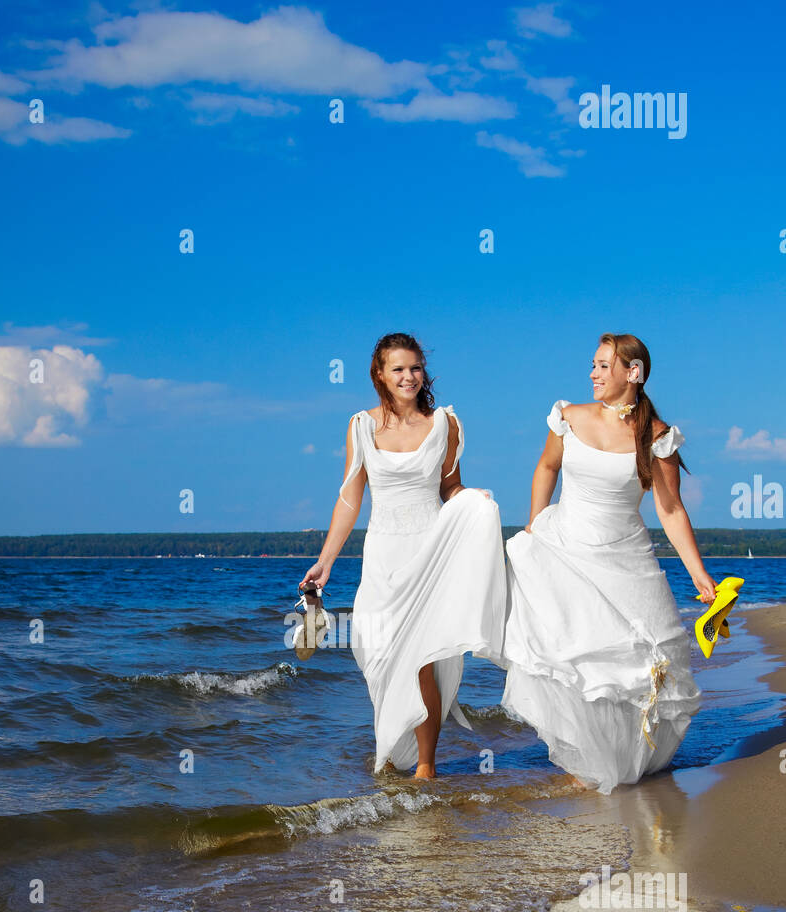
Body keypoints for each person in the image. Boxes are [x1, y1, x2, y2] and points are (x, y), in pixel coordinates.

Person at [500, 331, 715, 793]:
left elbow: (671, 510)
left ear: (632, 373)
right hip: (566, 549)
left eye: (603, 366)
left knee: (641, 664)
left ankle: (629, 760)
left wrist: (699, 574)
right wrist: (535, 526)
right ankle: (588, 761)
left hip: (627, 560)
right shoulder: (569, 418)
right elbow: (547, 468)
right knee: (577, 658)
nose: (593, 373)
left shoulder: (657, 438)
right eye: (593, 364)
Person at [300, 332, 506, 778]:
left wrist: (474, 501)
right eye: (398, 369)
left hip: (431, 553)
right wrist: (326, 560)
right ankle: (394, 744)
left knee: (422, 660)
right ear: (380, 374)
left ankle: (426, 766)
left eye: (415, 368)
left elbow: (451, 488)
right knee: (374, 649)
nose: (408, 376)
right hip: (383, 554)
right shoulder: (361, 426)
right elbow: (350, 499)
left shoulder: (444, 424)